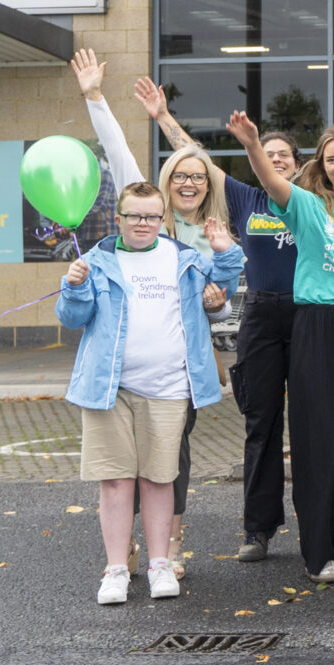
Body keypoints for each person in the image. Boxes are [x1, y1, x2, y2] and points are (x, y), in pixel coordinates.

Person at [132, 58, 334, 563]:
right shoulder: (247, 198)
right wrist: (163, 117)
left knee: (319, 423)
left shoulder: (311, 200)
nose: (274, 159)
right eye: (267, 153)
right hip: (262, 314)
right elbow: (198, 163)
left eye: (283, 155)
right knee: (262, 421)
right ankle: (259, 528)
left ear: (298, 165)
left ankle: (333, 525)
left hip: (311, 316)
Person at [73, 49, 233, 579]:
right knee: (127, 462)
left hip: (184, 362)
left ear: (208, 185)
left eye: (199, 178)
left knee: (170, 455)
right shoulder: (151, 223)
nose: (189, 183)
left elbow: (225, 285)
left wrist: (220, 299)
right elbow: (119, 155)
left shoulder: (212, 233)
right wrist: (96, 97)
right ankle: (129, 549)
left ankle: (170, 541)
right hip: (125, 363)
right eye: (180, 177)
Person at [228, 112, 334, 582]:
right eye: (332, 159)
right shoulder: (305, 205)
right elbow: (270, 180)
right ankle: (319, 551)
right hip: (317, 327)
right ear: (320, 166)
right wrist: (252, 145)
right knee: (320, 441)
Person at [57, 182, 242, 604]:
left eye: (152, 216)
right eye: (135, 216)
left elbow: (223, 292)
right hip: (110, 388)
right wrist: (73, 285)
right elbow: (74, 317)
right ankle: (116, 569)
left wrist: (225, 249)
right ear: (118, 218)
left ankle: (160, 563)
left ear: (163, 219)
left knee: (160, 478)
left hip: (170, 386)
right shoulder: (97, 261)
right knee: (116, 481)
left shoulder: (185, 259)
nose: (143, 224)